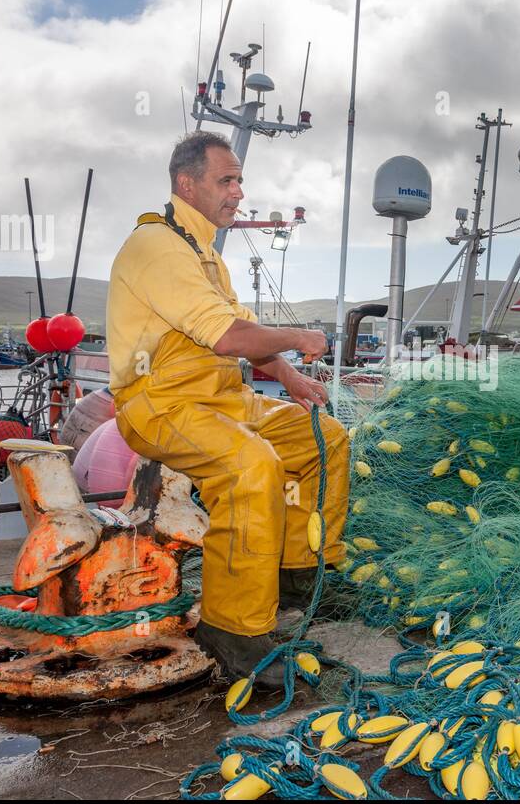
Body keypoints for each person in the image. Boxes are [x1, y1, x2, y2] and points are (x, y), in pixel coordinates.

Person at [106, 130, 349, 685]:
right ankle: (232, 629)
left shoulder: (204, 255)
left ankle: (294, 576)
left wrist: (287, 376)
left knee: (325, 439)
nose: (239, 192)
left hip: (222, 399)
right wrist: (297, 338)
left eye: (239, 180)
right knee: (250, 465)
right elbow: (227, 337)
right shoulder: (156, 248)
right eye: (228, 180)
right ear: (186, 184)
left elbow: (240, 328)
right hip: (160, 404)